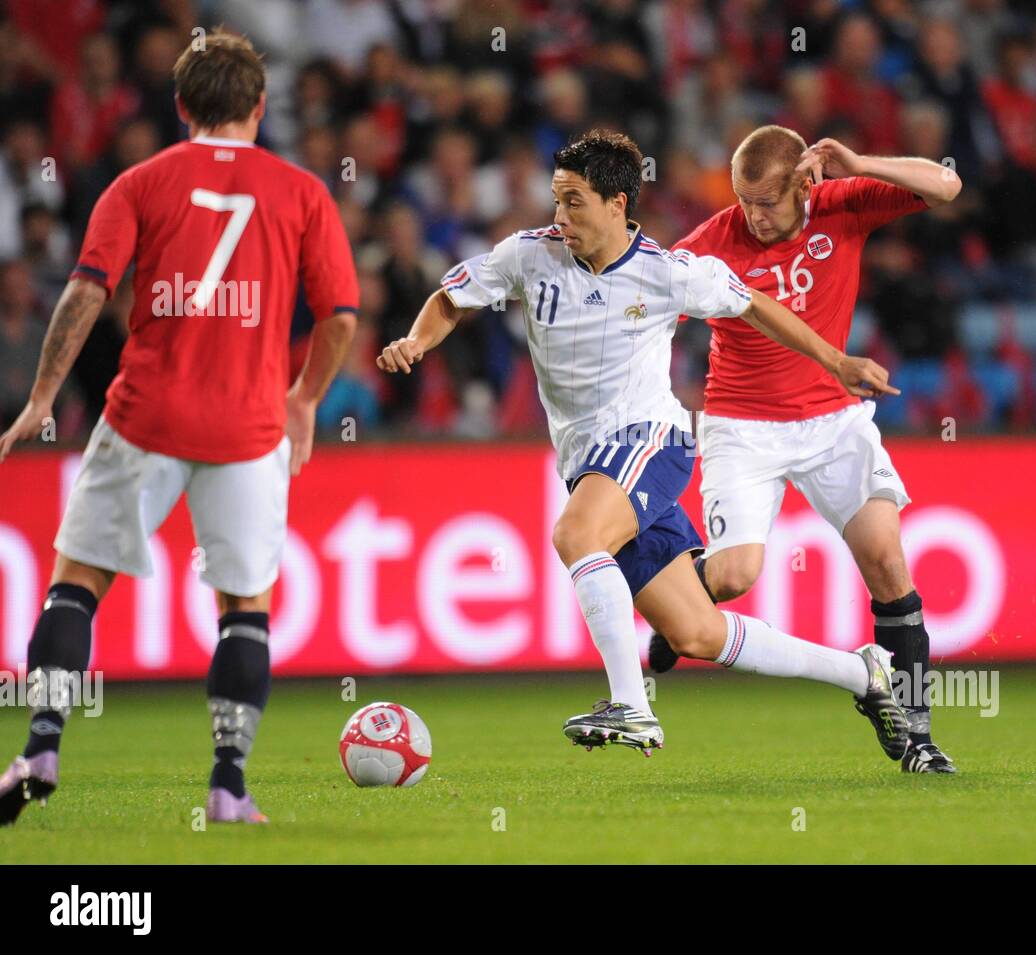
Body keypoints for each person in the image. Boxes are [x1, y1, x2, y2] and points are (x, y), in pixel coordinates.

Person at [377, 130, 909, 759]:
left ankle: (632, 706)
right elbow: (450, 297)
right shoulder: (527, 255)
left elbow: (758, 307)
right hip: (587, 462)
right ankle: (863, 674)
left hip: (649, 440)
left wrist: (833, 360)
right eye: (557, 200)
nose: (560, 217)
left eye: (575, 202)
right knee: (696, 633)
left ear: (617, 203)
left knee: (575, 536)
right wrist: (416, 341)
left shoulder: (667, 272)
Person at [0, 31, 359, 824]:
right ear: (260, 108)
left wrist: (40, 397)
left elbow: (86, 292)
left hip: (144, 417)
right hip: (248, 426)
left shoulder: (140, 181)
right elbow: (340, 314)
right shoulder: (301, 191)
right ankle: (228, 785)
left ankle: (42, 744)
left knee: (76, 584)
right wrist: (303, 399)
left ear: (181, 106)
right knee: (244, 606)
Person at [648, 125, 963, 773]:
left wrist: (857, 158)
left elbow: (947, 185)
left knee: (888, 563)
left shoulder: (841, 203)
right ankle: (678, 597)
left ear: (802, 182)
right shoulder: (712, 243)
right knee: (734, 575)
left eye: (766, 201)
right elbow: (648, 307)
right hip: (742, 425)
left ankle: (917, 738)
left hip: (835, 422)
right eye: (743, 200)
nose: (753, 216)